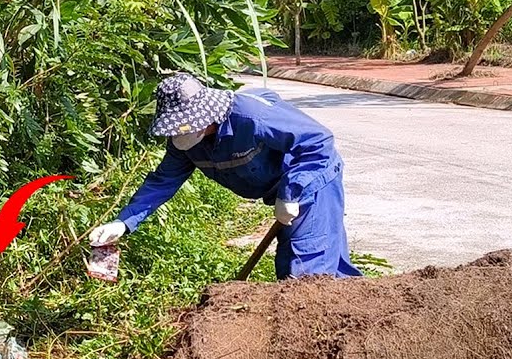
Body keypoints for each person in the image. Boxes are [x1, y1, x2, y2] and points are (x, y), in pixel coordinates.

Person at [89, 72, 361, 280]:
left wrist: (291, 193)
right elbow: (162, 182)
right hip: (280, 191)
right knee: (311, 269)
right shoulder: (186, 144)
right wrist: (123, 223)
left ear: (204, 116)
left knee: (306, 269)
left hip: (312, 181)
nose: (178, 135)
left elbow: (317, 142)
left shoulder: (252, 117)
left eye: (183, 126)